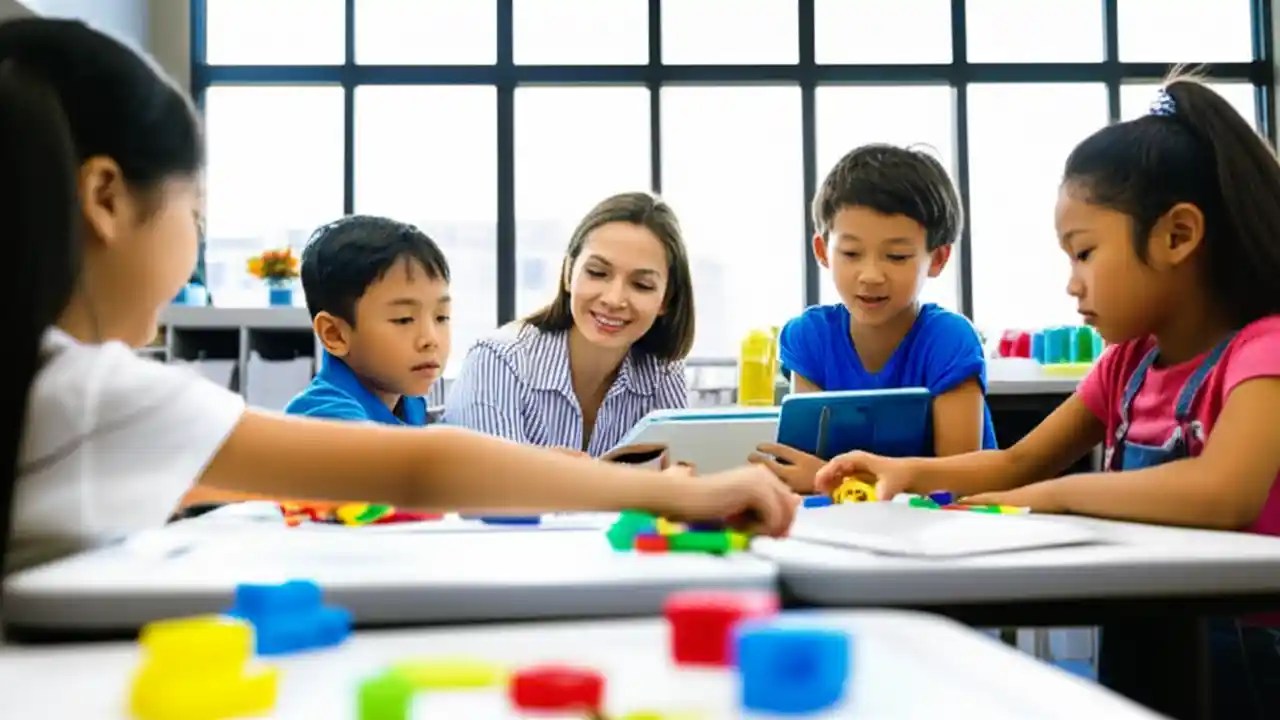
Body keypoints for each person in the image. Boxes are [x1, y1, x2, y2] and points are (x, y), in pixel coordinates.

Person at [1, 18, 797, 576]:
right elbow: (420, 468)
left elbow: (223, 476)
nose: (194, 243)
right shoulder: (82, 393)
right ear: (106, 198)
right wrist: (668, 494)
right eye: (195, 212)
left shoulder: (63, 395)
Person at [815, 76, 1280, 719]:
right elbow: (1014, 463)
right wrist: (906, 471)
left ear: (1177, 237)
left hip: (1248, 654)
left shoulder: (1264, 350)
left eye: (1084, 253)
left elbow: (1222, 494)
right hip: (1142, 629)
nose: (1072, 284)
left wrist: (1055, 496)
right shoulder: (1126, 365)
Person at [751, 144, 996, 493]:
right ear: (823, 252)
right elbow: (803, 464)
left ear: (938, 259)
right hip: (847, 524)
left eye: (896, 256)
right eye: (851, 253)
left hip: (944, 527)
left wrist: (841, 480)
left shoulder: (949, 339)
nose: (871, 275)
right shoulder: (809, 338)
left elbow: (955, 480)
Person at [174, 214, 451, 513]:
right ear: (334, 334)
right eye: (403, 319)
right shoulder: (322, 414)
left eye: (441, 317)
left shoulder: (412, 404)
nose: (430, 339)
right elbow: (405, 483)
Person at [445, 191, 695, 457]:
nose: (613, 299)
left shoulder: (662, 373)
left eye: (641, 285)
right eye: (597, 273)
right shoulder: (498, 361)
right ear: (568, 273)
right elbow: (497, 490)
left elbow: (684, 476)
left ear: (666, 300)